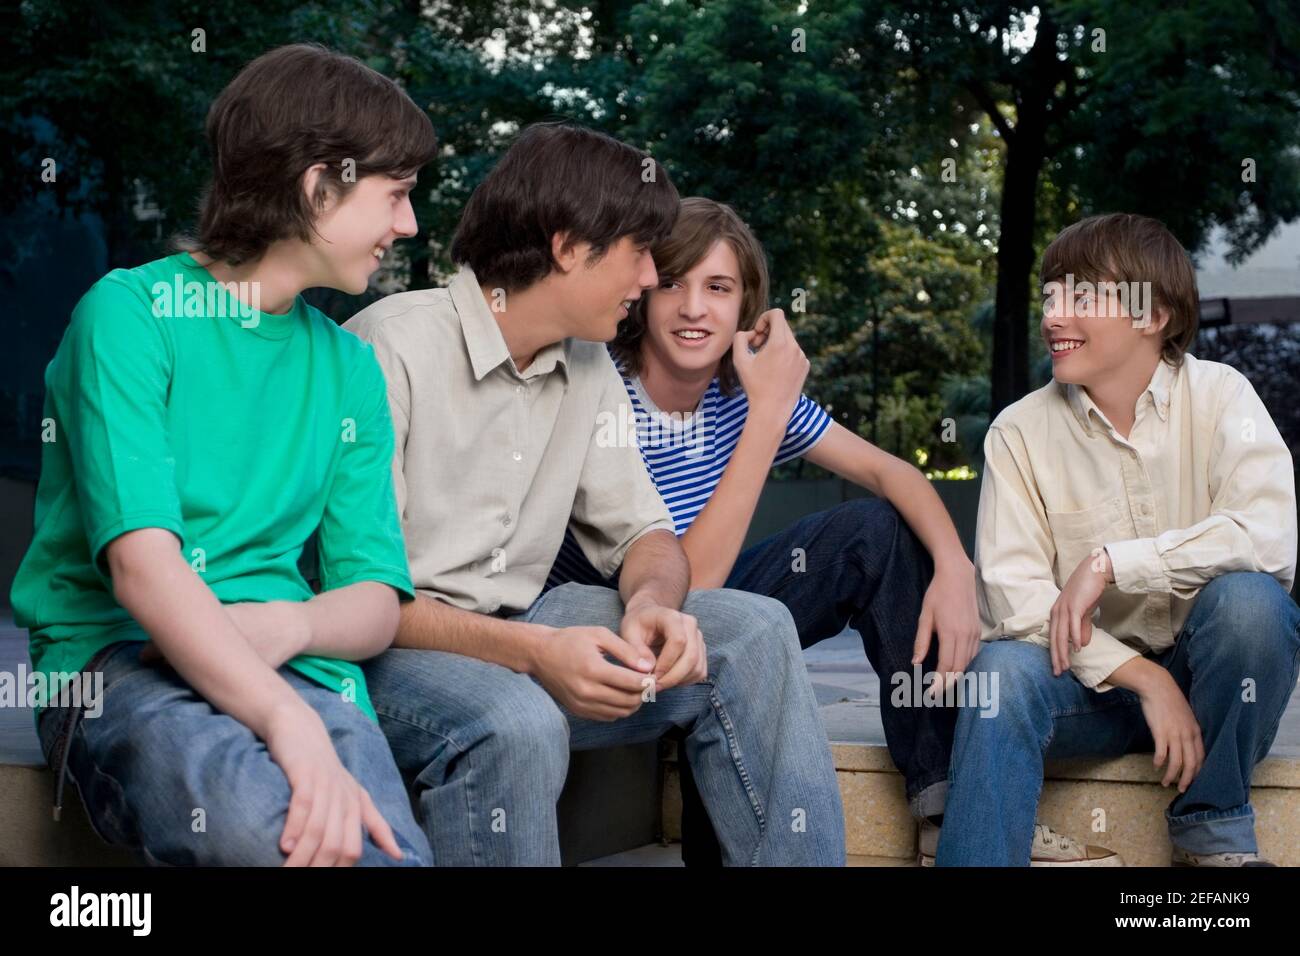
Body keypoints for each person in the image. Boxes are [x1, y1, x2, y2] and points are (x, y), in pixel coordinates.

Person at [548, 195, 1112, 864]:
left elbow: (892, 474)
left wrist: (956, 570)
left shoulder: (741, 390)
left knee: (876, 529)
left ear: (746, 305)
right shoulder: (602, 389)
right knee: (743, 649)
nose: (693, 307)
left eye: (718, 287)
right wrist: (768, 413)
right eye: (672, 282)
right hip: (622, 615)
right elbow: (685, 586)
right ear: (641, 291)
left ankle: (940, 796)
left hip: (717, 604)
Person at [344, 123, 845, 866]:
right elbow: (364, 598)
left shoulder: (588, 367)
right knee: (514, 719)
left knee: (753, 631)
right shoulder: (388, 349)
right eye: (639, 252)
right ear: (569, 246)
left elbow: (647, 535)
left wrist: (650, 605)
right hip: (384, 654)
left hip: (520, 627)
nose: (649, 280)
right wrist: (535, 652)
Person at [9, 44, 439, 866]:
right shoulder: (129, 316)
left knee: (379, 849)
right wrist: (285, 720)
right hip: (114, 664)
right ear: (319, 187)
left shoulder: (349, 366)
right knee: (264, 829)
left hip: (297, 664)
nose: (408, 227)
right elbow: (141, 570)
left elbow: (376, 600)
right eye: (396, 196)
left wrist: (289, 626)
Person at [937, 212, 1299, 867]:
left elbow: (1269, 540)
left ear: (1153, 314)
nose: (1053, 316)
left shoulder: (1223, 399)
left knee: (1252, 604)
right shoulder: (1018, 432)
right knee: (1000, 671)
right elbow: (1013, 602)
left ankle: (1212, 830)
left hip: (1210, 690)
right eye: (1050, 296)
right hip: (1085, 693)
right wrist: (1147, 683)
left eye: (1080, 296)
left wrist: (1112, 564)